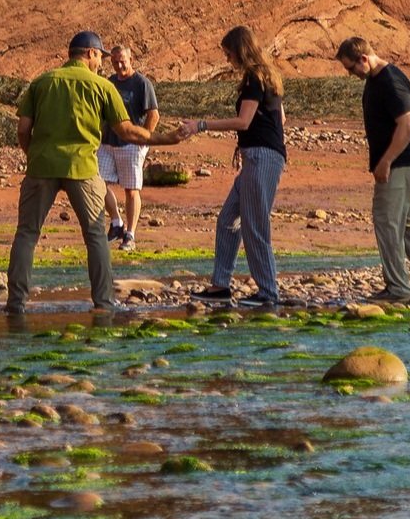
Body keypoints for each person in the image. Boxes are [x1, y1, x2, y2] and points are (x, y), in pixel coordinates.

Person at [7, 31, 156, 313]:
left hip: (41, 166)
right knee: (95, 235)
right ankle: (103, 301)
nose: (102, 63)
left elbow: (23, 130)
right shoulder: (101, 86)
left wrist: (34, 156)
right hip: (83, 169)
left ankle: (16, 303)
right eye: (101, 57)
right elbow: (125, 130)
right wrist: (162, 138)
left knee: (27, 233)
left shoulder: (41, 82)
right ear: (90, 53)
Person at [337, 36, 410, 304]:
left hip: (399, 162)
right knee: (405, 220)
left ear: (364, 59)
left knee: (387, 220)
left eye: (351, 68)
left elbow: (407, 125)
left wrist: (386, 161)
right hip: (399, 160)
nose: (350, 74)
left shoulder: (390, 81)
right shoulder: (376, 80)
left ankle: (399, 287)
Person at [184, 25, 290, 308]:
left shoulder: (255, 78)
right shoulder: (269, 77)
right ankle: (220, 285)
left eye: (228, 52)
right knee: (228, 220)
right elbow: (281, 118)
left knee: (255, 225)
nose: (227, 58)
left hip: (261, 157)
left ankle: (268, 292)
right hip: (260, 156)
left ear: (239, 50)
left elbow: (244, 121)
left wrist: (201, 125)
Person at [99, 44, 159, 252]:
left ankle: (130, 234)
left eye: (122, 60)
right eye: (115, 61)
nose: (119, 64)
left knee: (131, 190)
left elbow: (153, 114)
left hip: (131, 144)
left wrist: (144, 139)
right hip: (107, 142)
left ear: (130, 57)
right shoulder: (109, 83)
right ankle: (116, 223)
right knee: (97, 183)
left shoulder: (142, 83)